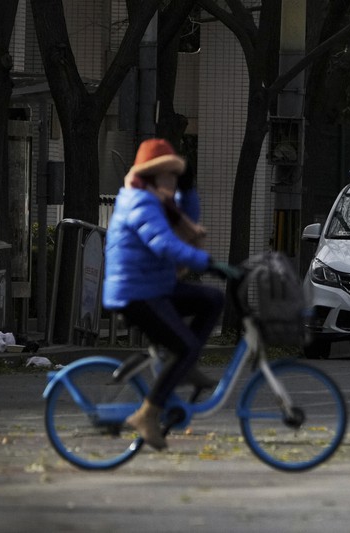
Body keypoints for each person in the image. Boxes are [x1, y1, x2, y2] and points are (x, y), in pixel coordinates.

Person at [103, 138, 233, 450]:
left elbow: (188, 220)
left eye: (177, 175)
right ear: (152, 176)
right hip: (137, 294)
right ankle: (147, 414)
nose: (173, 181)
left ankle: (184, 366)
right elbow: (163, 243)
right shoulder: (139, 202)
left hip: (157, 286)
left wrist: (188, 190)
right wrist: (209, 263)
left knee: (213, 300)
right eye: (169, 175)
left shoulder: (161, 201)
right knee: (186, 345)